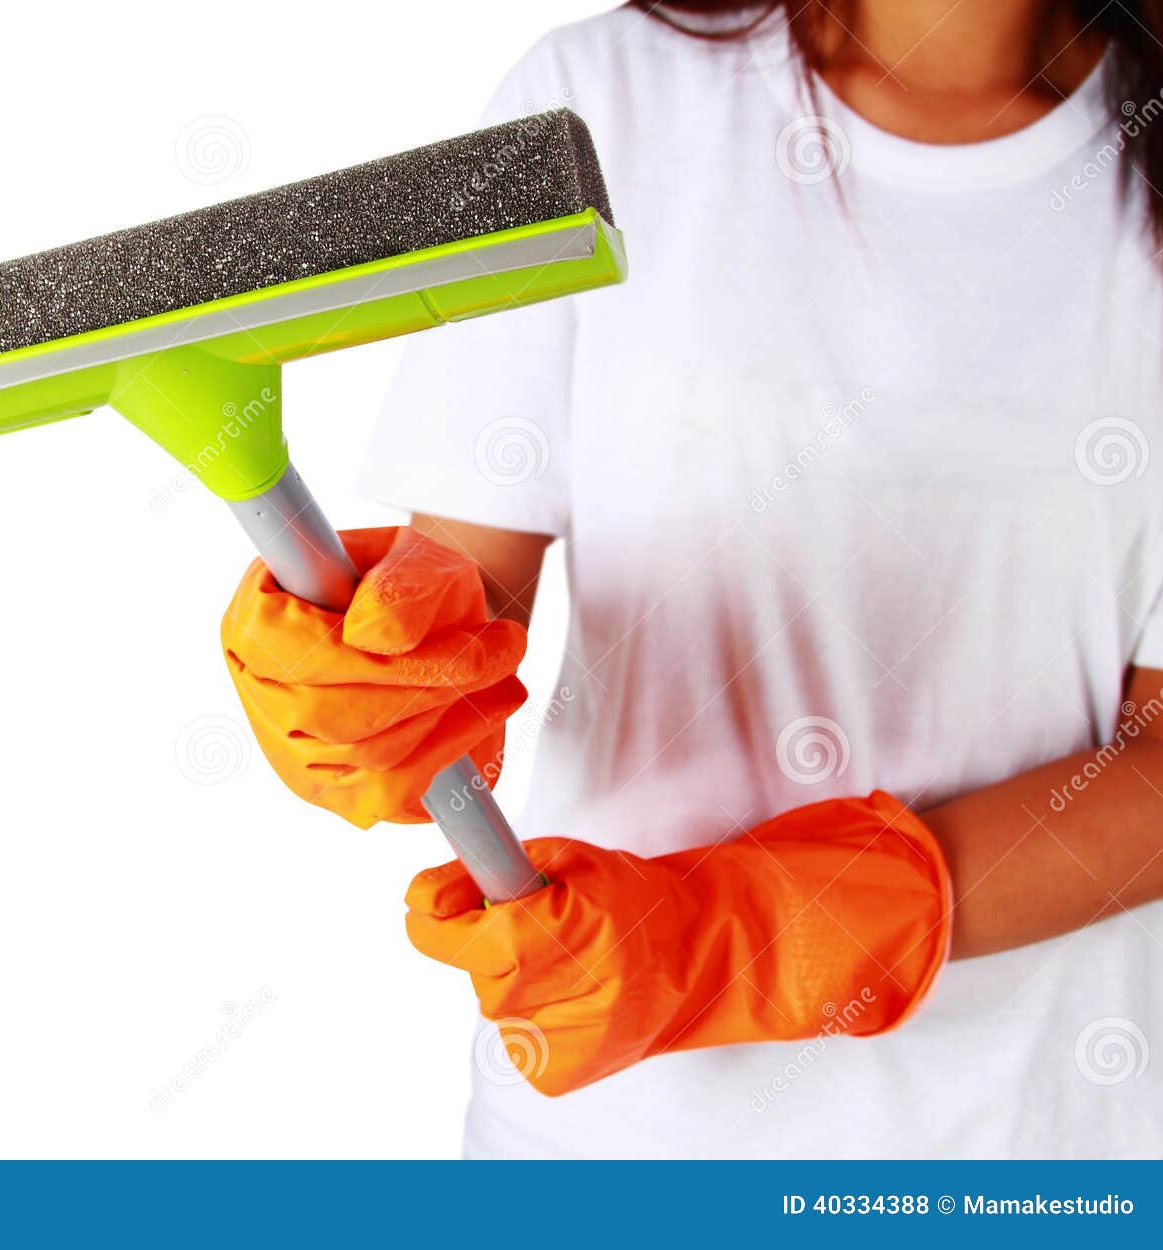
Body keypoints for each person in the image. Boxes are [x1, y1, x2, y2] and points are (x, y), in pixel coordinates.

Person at [220, 0, 1163, 1157]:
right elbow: (470, 589)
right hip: (617, 1143)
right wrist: (386, 676)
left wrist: (745, 930)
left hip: (1031, 1143)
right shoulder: (603, 102)